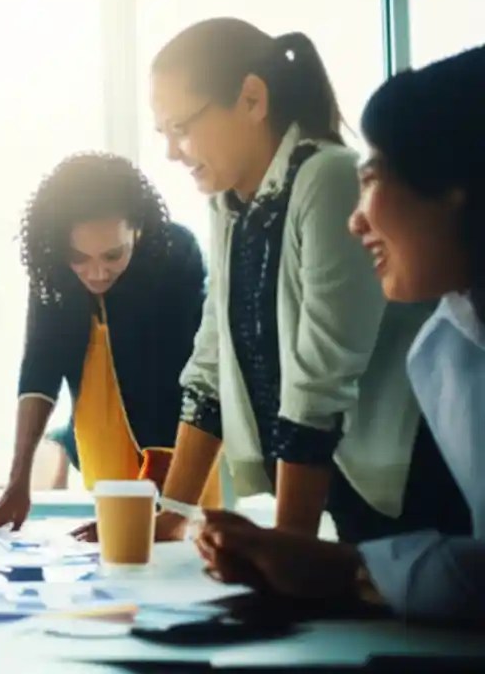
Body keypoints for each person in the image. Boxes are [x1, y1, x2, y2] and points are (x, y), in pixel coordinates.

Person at [140, 18, 469, 545]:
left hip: (411, 482)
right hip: (342, 493)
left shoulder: (327, 177)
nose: (172, 152)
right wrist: (173, 512)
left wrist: (290, 547)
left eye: (181, 127)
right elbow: (211, 361)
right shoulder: (230, 205)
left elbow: (322, 376)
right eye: (163, 134)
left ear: (251, 99)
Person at [198, 45, 485, 625]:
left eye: (373, 180)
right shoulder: (453, 341)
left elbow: (319, 377)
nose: (356, 220)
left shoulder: (318, 174)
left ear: (457, 184)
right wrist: (332, 568)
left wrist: (318, 562)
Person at [0, 153, 214, 534]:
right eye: (79, 257)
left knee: (178, 555)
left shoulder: (176, 253)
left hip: (181, 446)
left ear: (138, 230)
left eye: (113, 255)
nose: (96, 272)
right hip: (101, 430)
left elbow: (182, 376)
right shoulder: (52, 265)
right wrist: (17, 483)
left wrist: (153, 504)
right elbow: (40, 368)